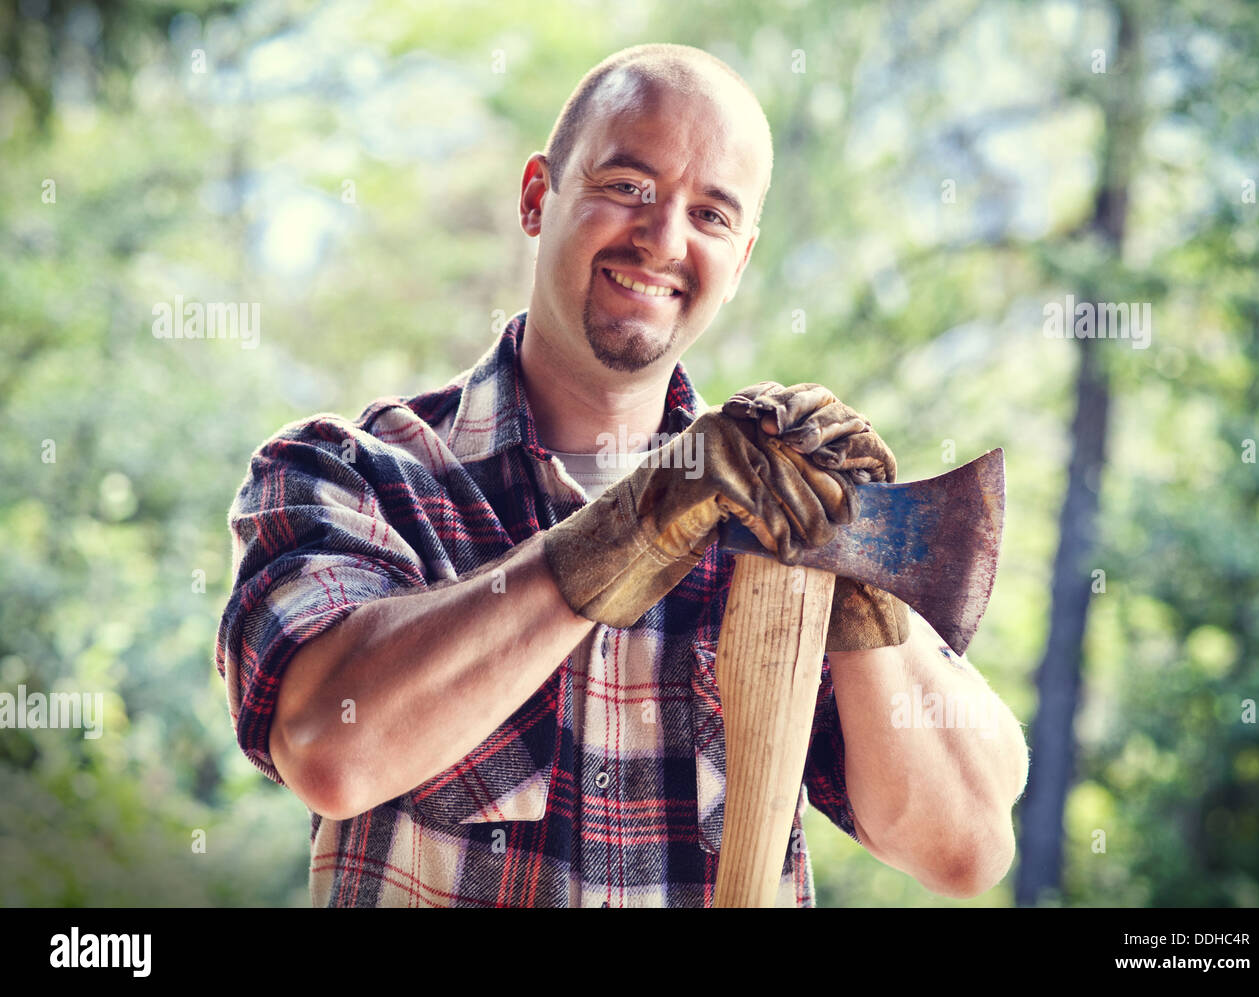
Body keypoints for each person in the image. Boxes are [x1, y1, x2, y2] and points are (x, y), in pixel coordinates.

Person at [215, 43, 1029, 907]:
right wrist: (629, 528)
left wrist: (866, 585)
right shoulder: (355, 475)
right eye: (628, 186)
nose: (663, 238)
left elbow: (965, 848)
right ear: (538, 197)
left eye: (712, 215)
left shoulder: (778, 521)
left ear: (742, 258)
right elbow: (330, 748)